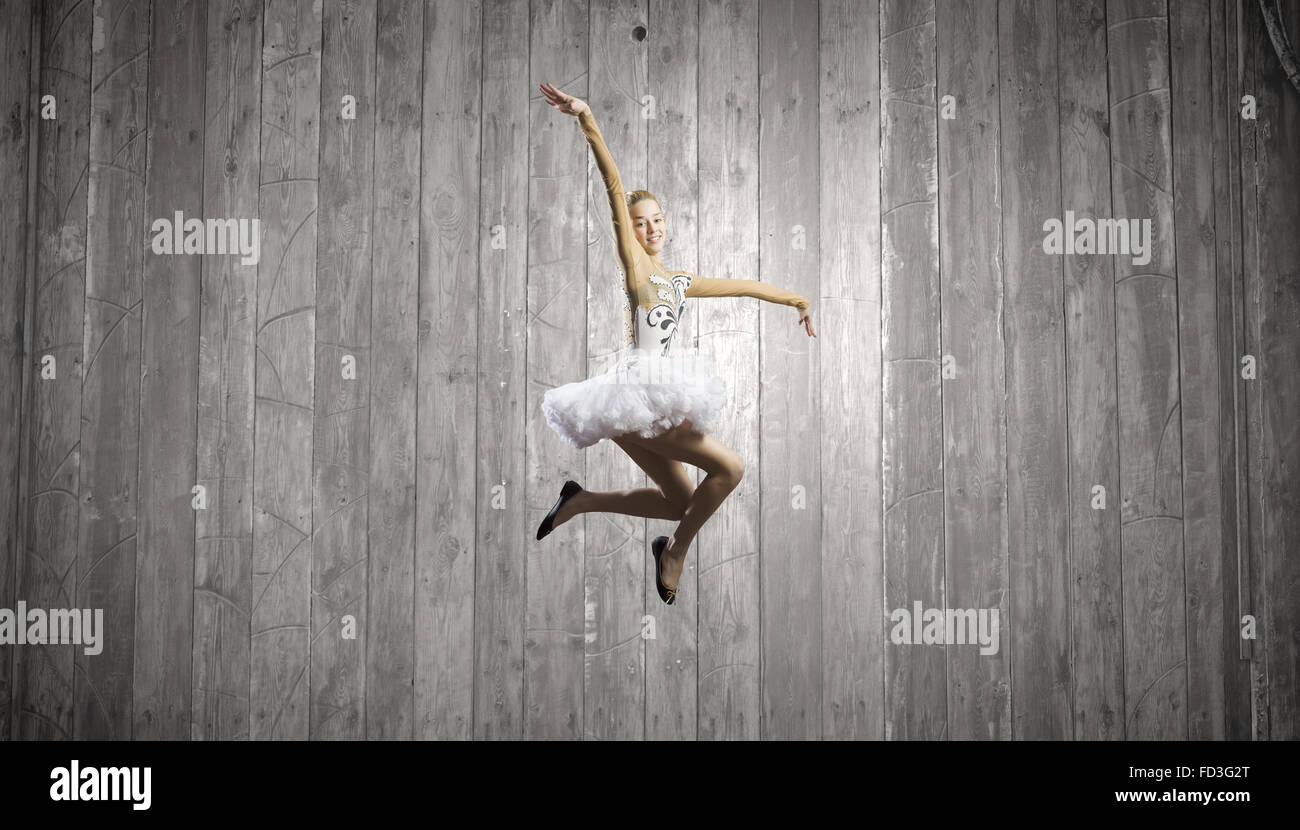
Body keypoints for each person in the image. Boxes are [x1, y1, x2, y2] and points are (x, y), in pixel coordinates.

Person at [534, 81, 816, 605]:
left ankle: (580, 500)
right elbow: (613, 188)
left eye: (657, 220)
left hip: (647, 400)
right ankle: (675, 553)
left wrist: (796, 299)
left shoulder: (680, 280)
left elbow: (743, 285)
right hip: (637, 394)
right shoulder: (635, 267)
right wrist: (586, 118)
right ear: (632, 234)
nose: (651, 229)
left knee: (680, 500)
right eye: (641, 225)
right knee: (729, 470)